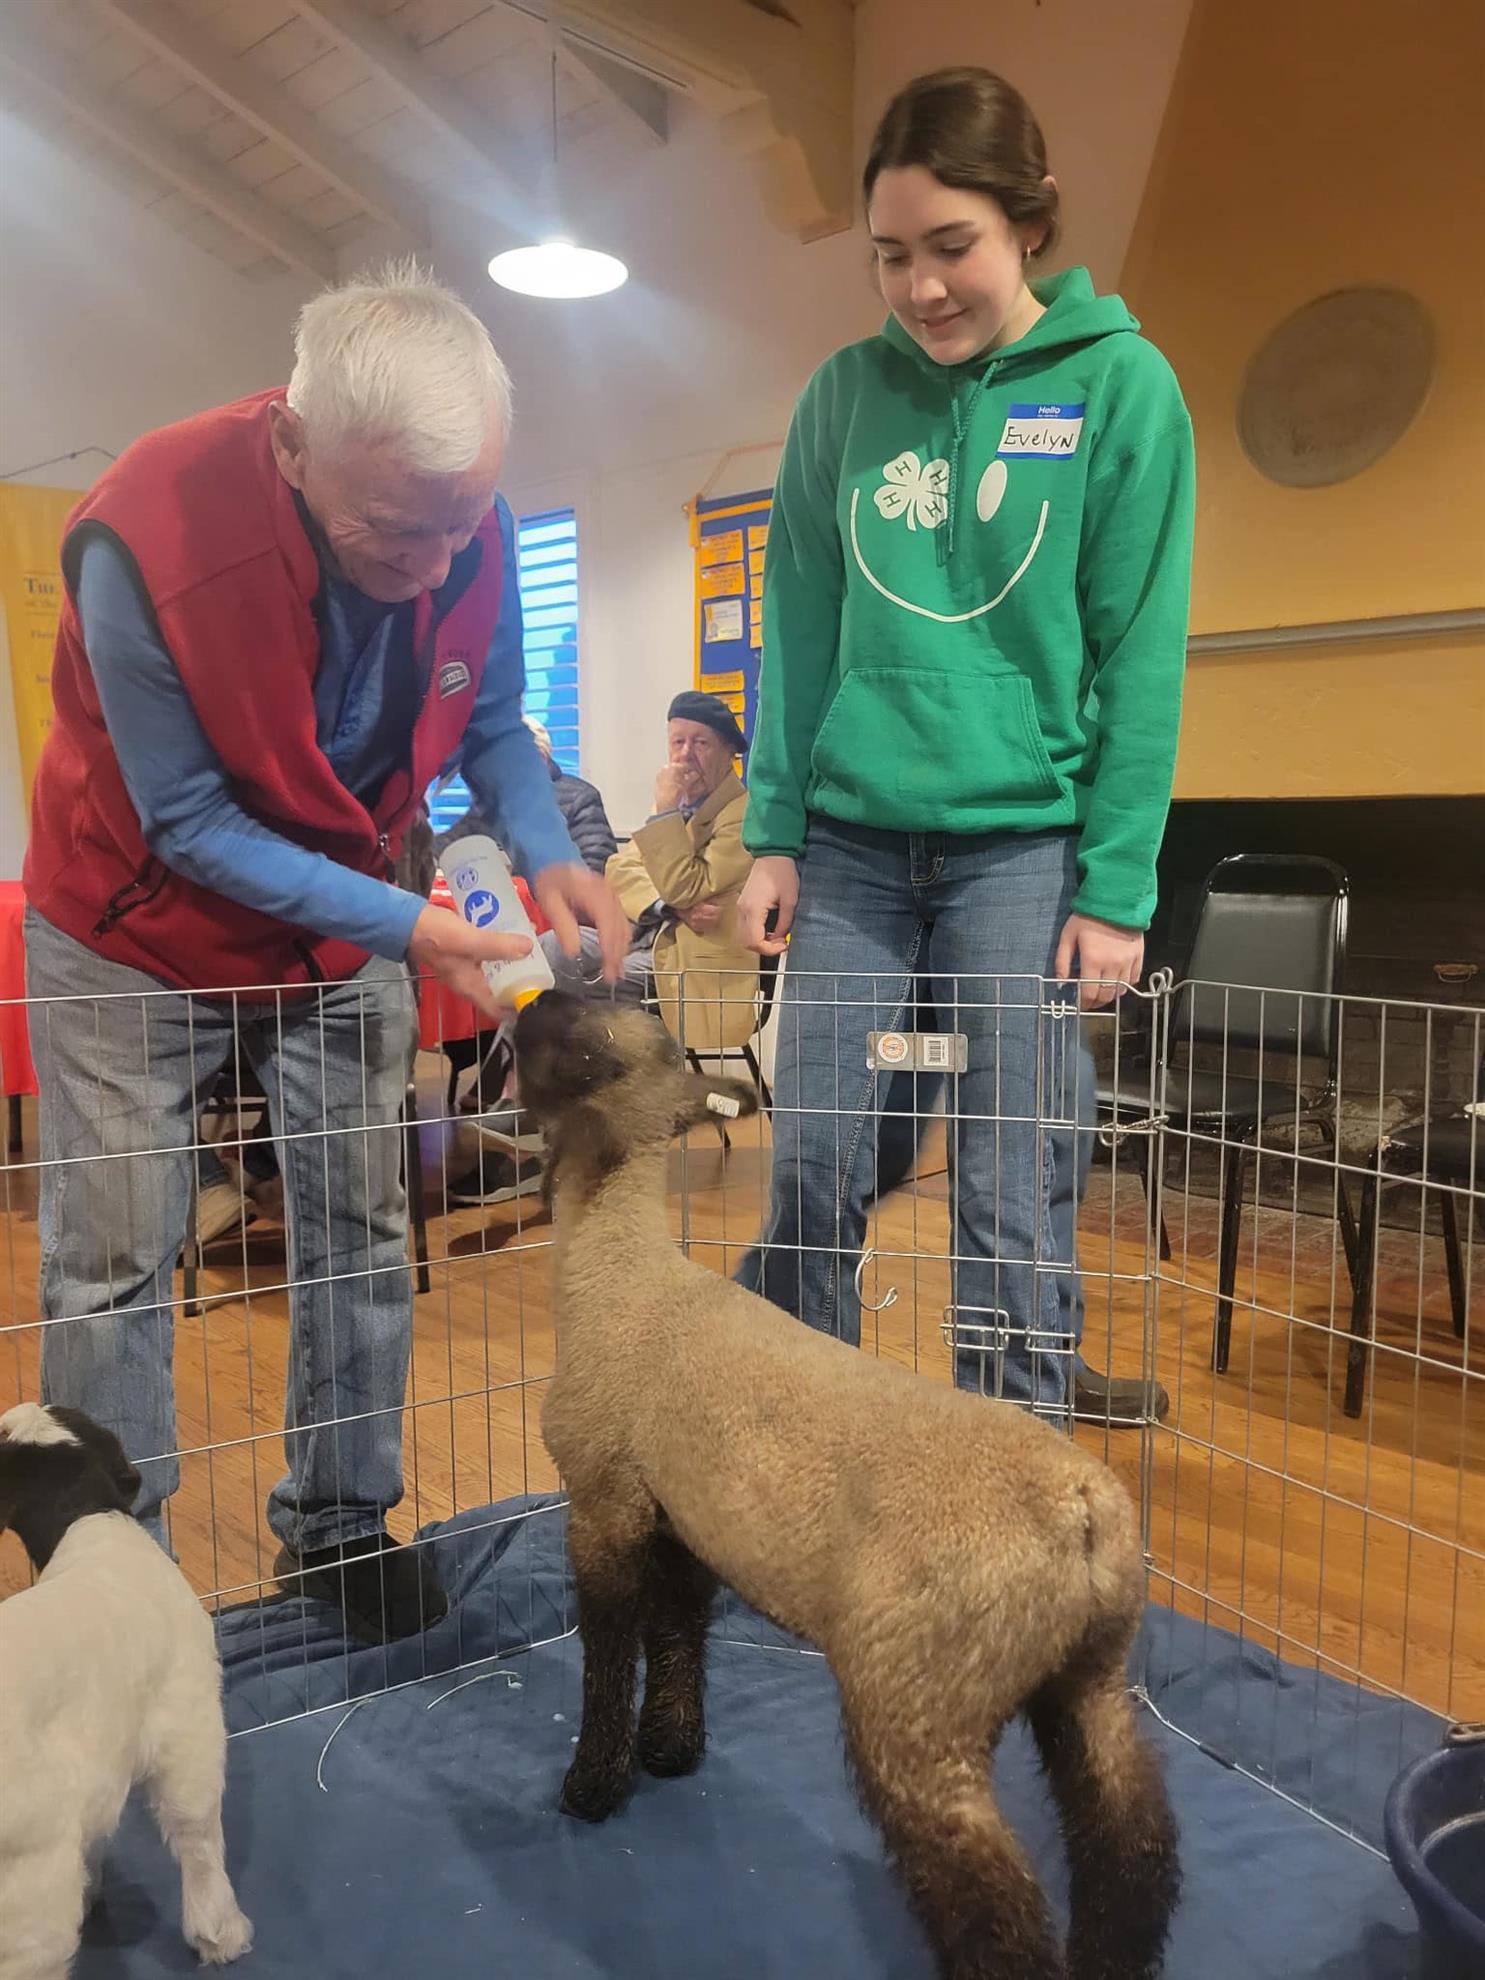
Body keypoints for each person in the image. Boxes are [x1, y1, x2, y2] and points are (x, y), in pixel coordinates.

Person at [22, 261, 628, 1640]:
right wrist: (418, 929)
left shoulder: (465, 527)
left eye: (456, 530)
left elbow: (490, 723)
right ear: (296, 447)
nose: (429, 567)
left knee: (359, 1216)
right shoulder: (140, 539)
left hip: (345, 905)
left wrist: (549, 852)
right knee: (112, 1257)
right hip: (131, 922)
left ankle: (343, 1525)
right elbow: (184, 822)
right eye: (391, 533)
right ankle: (111, 1590)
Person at [735, 68, 1195, 1424]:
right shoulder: (840, 398)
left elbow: (1140, 653)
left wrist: (1117, 888)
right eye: (890, 255)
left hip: (1025, 857)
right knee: (812, 1161)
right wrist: (771, 829)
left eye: (953, 248)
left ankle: (1010, 1483)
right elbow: (798, 629)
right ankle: (799, 1453)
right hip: (851, 848)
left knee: (1010, 1178)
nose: (922, 287)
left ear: (1028, 230)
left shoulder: (1122, 388)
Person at [449, 691, 759, 1207]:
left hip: (690, 966)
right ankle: (532, 1119)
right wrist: (665, 905)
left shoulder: (741, 814)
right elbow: (622, 870)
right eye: (677, 741)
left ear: (729, 751)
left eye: (700, 743)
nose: (685, 755)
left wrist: (662, 826)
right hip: (653, 939)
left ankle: (523, 1111)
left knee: (559, 985)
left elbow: (689, 882)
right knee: (546, 950)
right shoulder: (684, 810)